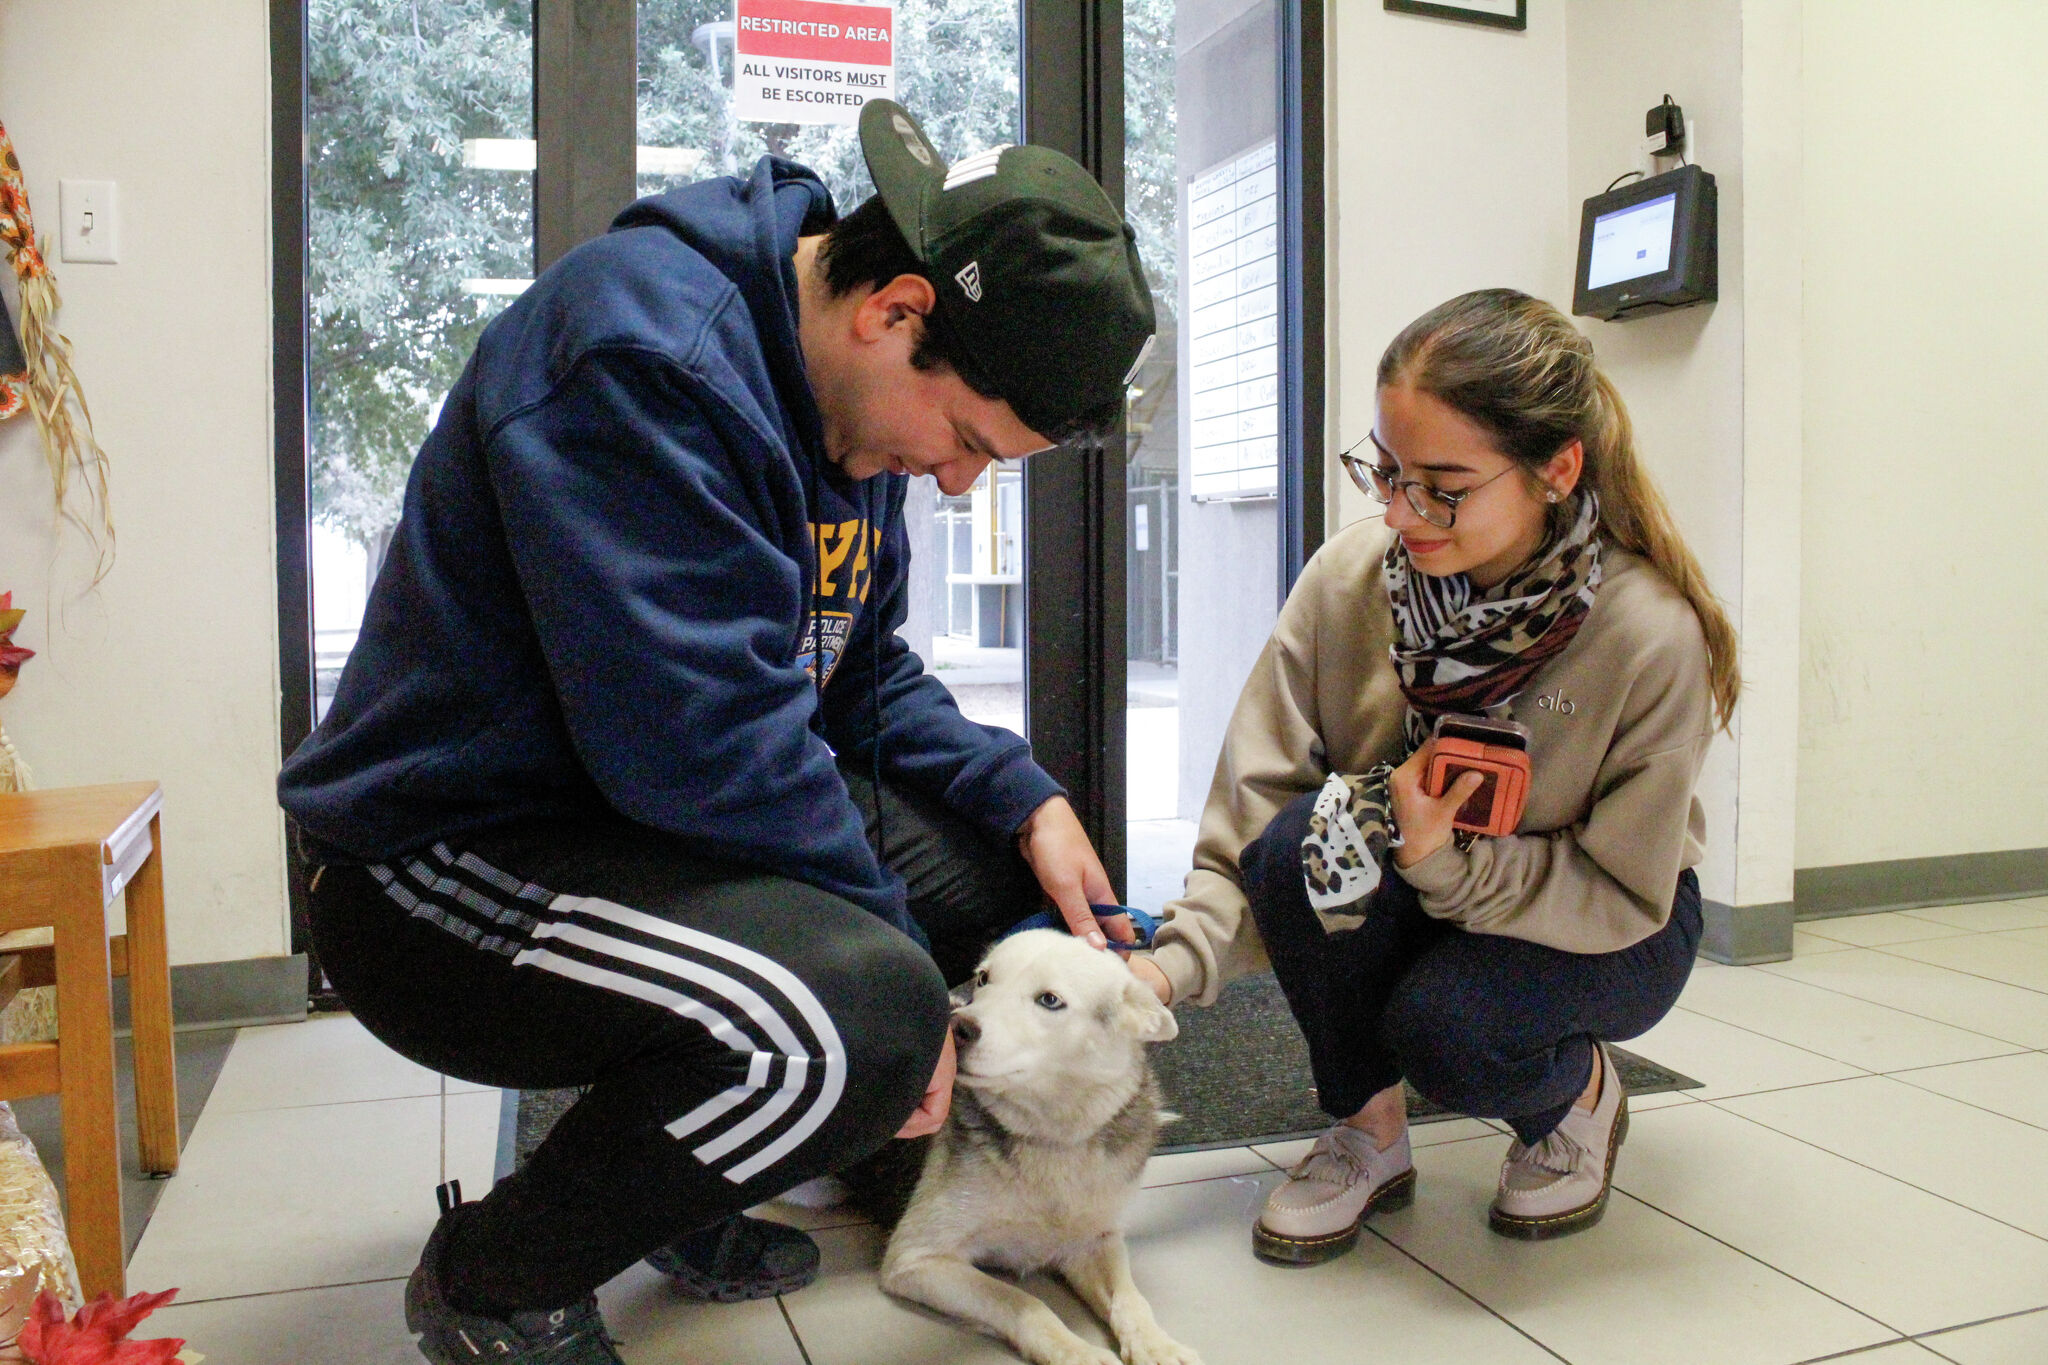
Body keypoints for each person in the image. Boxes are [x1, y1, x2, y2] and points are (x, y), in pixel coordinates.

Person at [278, 100, 1154, 1364]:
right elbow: (707, 750)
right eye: (966, 441)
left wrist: (1026, 798)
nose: (958, 481)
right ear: (895, 312)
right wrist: (896, 990)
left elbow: (850, 680)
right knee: (866, 1014)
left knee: (990, 887)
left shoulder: (845, 411)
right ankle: (496, 1279)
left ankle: (670, 1175)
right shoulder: (644, 362)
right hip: (439, 866)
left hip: (634, 821)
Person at [1125, 288, 1738, 1262]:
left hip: (1610, 916)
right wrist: (1170, 962)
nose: (1401, 513)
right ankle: (1365, 1135)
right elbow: (1258, 796)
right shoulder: (1352, 577)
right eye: (1387, 472)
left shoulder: (1643, 631)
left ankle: (1575, 1097)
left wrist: (1450, 868)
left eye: (1441, 486)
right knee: (1295, 849)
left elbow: (1623, 889)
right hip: (1429, 871)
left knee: (1450, 1034)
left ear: (1554, 470)